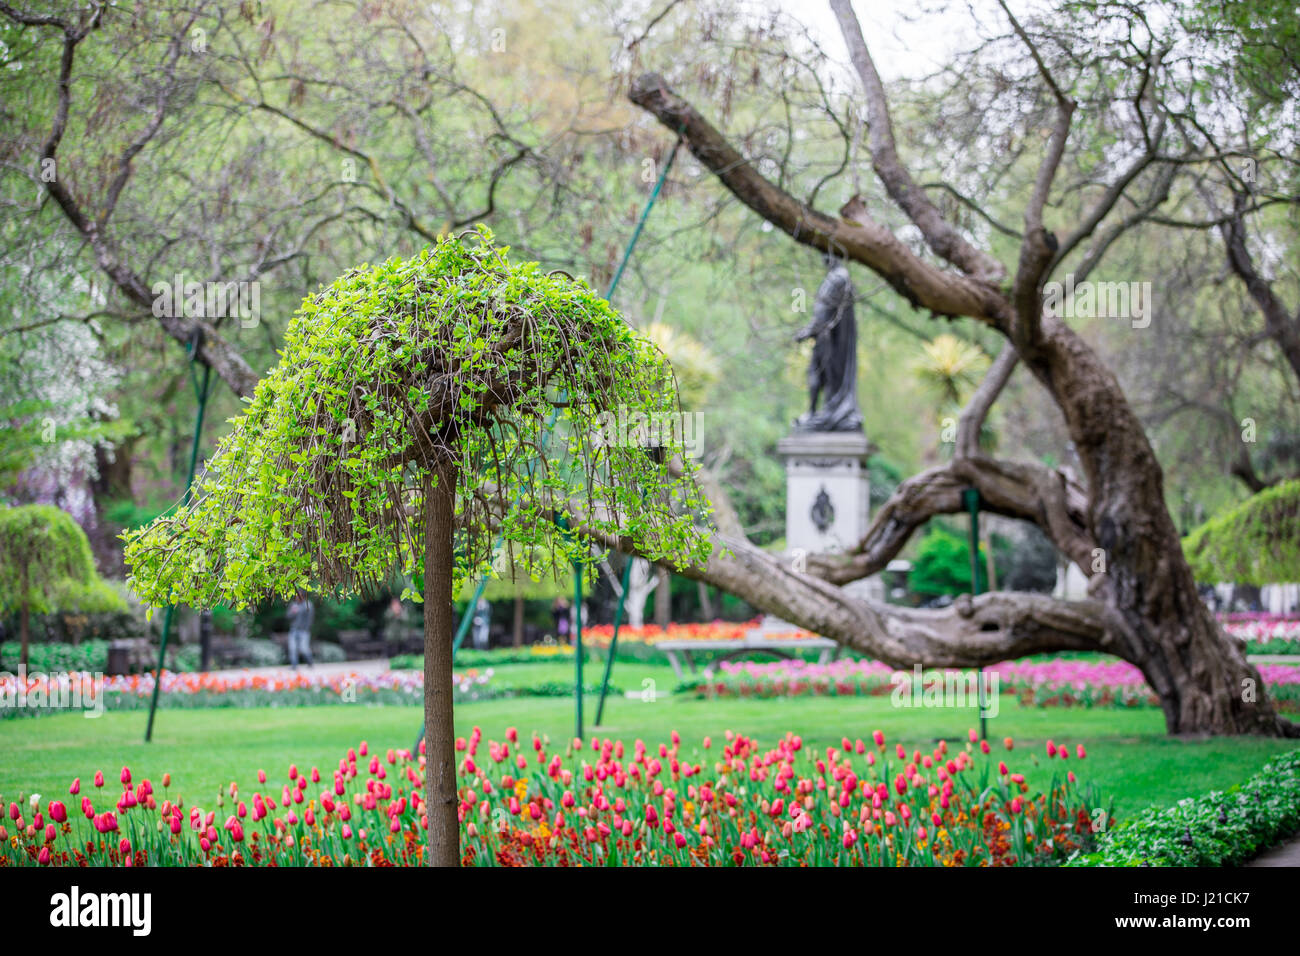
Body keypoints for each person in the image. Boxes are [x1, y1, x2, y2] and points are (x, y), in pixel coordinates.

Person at [286, 595, 315, 669]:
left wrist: (307, 628)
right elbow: (288, 616)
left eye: (299, 596)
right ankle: (294, 665)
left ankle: (310, 662)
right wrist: (293, 612)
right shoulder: (294, 605)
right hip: (294, 629)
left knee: (303, 648)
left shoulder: (308, 604)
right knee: (292, 648)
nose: (297, 598)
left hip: (304, 631)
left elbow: (310, 618)